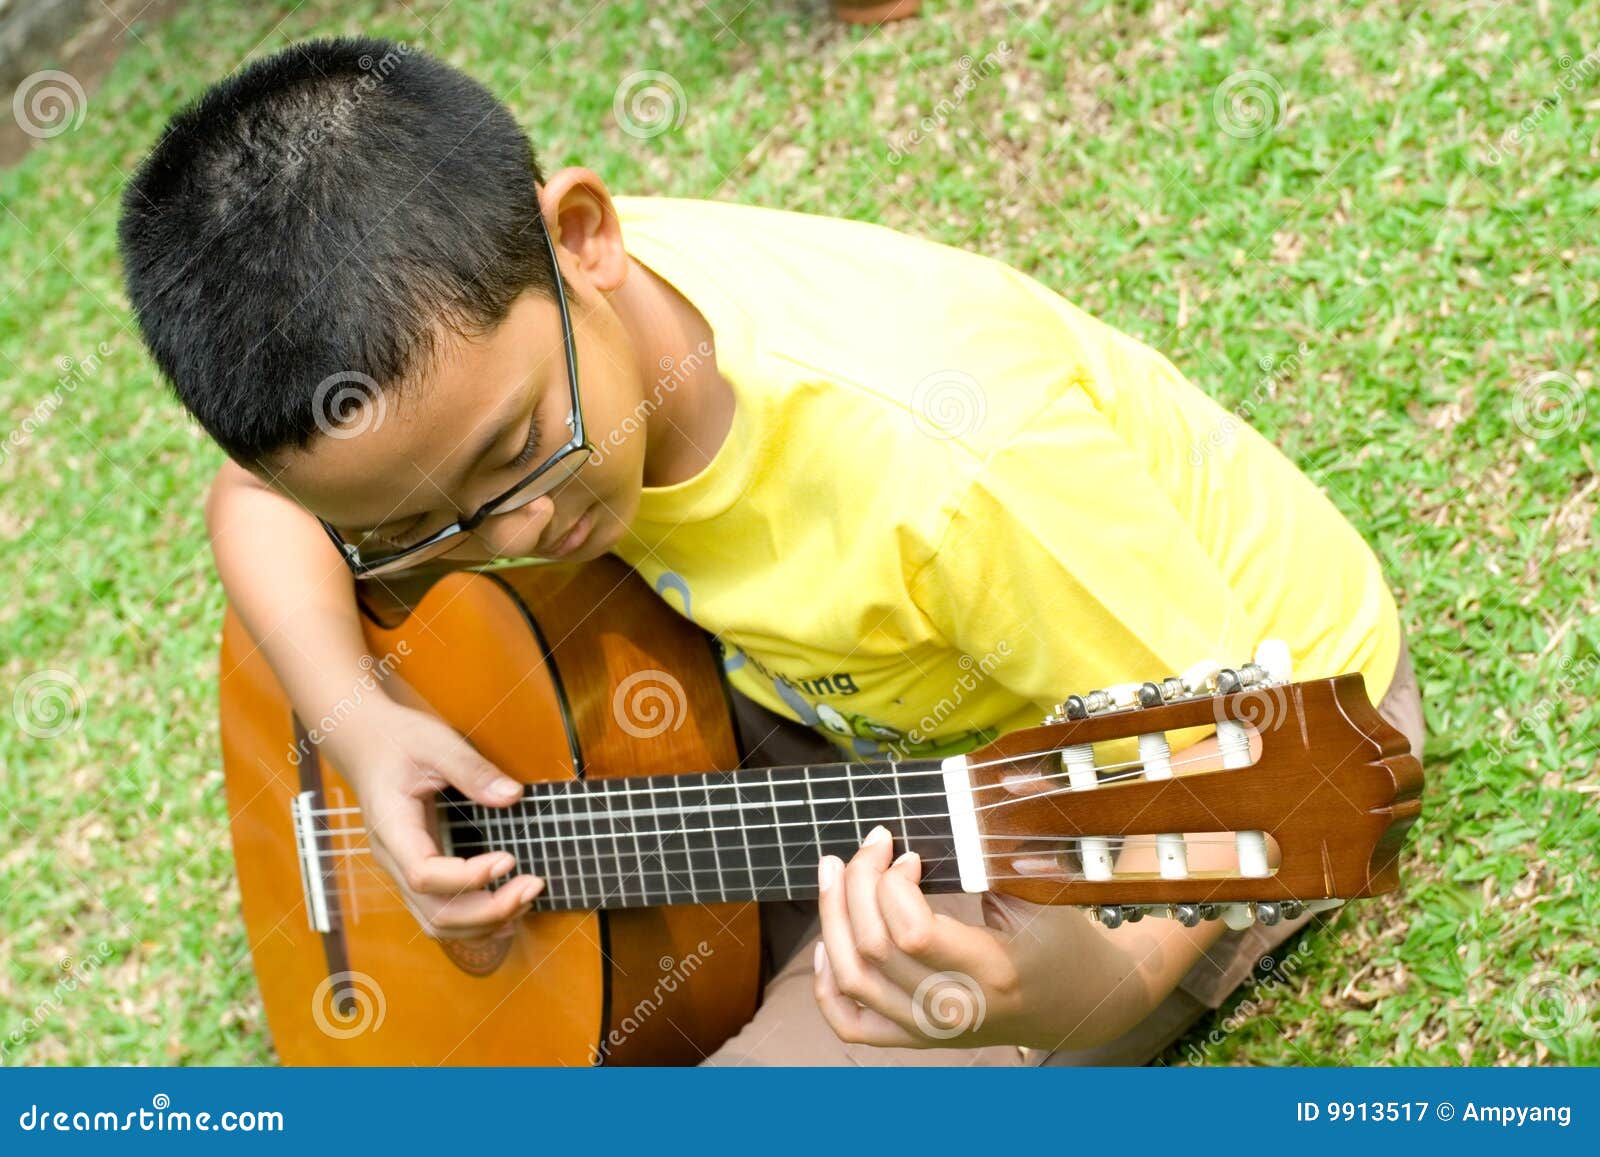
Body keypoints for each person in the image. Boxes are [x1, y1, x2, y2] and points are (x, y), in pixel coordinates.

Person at [116, 36, 1423, 1065]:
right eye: (423, 525)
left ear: (585, 236)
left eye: (518, 448)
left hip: (1198, 757)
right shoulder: (479, 336)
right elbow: (258, 502)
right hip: (834, 700)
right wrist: (359, 720)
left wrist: (1064, 992)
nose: (511, 534)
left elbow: (1274, 795)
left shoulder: (951, 469)